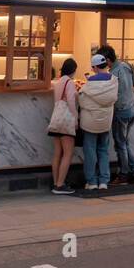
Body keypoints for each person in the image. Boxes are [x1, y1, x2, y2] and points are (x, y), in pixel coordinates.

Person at [77, 52, 118, 191]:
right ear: (106, 65)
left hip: (90, 123)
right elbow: (113, 99)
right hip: (106, 122)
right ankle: (104, 181)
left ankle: (92, 181)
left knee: (90, 152)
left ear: (94, 67)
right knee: (103, 151)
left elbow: (82, 102)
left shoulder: (89, 84)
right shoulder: (114, 80)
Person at [105, 44, 134, 185]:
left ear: (108, 60)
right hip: (132, 108)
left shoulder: (114, 74)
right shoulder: (126, 66)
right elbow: (132, 84)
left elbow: (111, 95)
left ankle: (124, 175)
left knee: (121, 144)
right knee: (124, 143)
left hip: (120, 111)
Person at [48, 58, 79, 194]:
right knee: (68, 153)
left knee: (57, 153)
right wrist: (75, 117)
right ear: (73, 70)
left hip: (56, 120)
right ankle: (60, 185)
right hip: (66, 122)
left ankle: (55, 182)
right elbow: (71, 102)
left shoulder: (58, 82)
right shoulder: (70, 82)